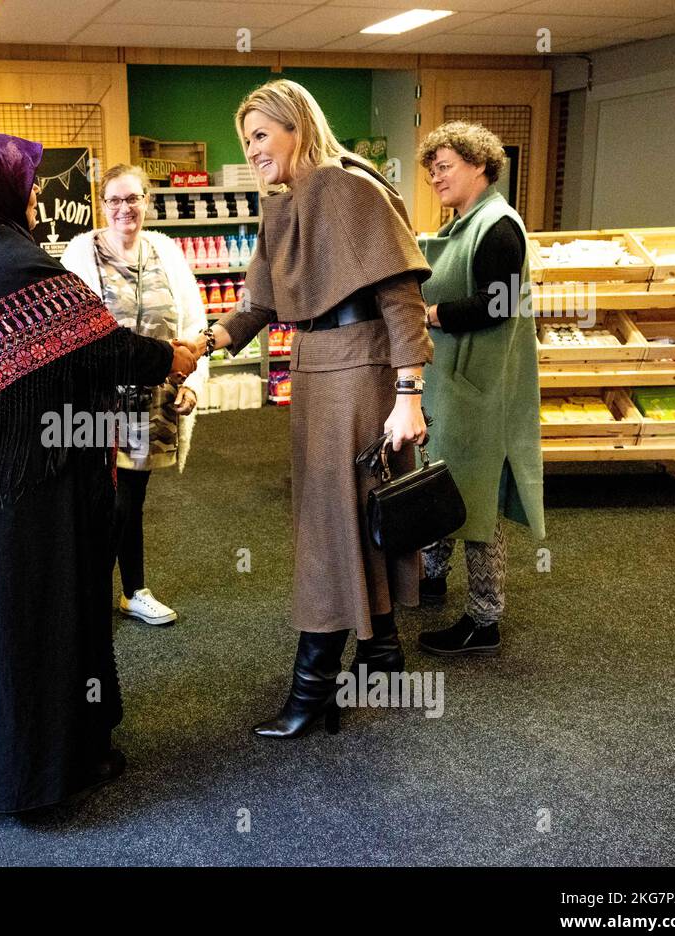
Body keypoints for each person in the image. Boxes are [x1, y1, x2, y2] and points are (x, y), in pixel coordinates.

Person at [0, 133, 197, 812]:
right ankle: (24, 773)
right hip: (12, 502)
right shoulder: (20, 271)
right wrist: (174, 358)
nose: (33, 200)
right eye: (25, 188)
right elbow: (104, 350)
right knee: (18, 627)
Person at [180, 79, 433, 739]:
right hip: (318, 369)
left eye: (261, 135)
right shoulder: (285, 205)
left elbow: (401, 295)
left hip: (363, 370)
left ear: (297, 126)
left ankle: (314, 688)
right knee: (352, 515)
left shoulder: (351, 187)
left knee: (330, 525)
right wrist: (208, 341)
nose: (254, 150)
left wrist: (409, 394)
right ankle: (381, 654)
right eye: (246, 141)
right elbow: (260, 304)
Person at [415, 121, 546, 656]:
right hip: (459, 382)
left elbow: (499, 304)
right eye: (431, 169)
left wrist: (431, 314)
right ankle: (430, 577)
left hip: (483, 389)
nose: (435, 178)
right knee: (443, 477)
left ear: (480, 166)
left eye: (444, 166)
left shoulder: (499, 228)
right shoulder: (466, 222)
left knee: (477, 495)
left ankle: (484, 619)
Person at [61, 163, 208, 626]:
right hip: (99, 402)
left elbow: (192, 326)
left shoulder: (166, 253)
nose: (125, 208)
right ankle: (94, 593)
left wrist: (192, 385)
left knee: (131, 498)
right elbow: (69, 333)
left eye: (133, 198)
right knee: (106, 499)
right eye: (115, 200)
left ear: (147, 201)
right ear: (101, 206)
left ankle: (129, 592)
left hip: (154, 400)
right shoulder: (81, 255)